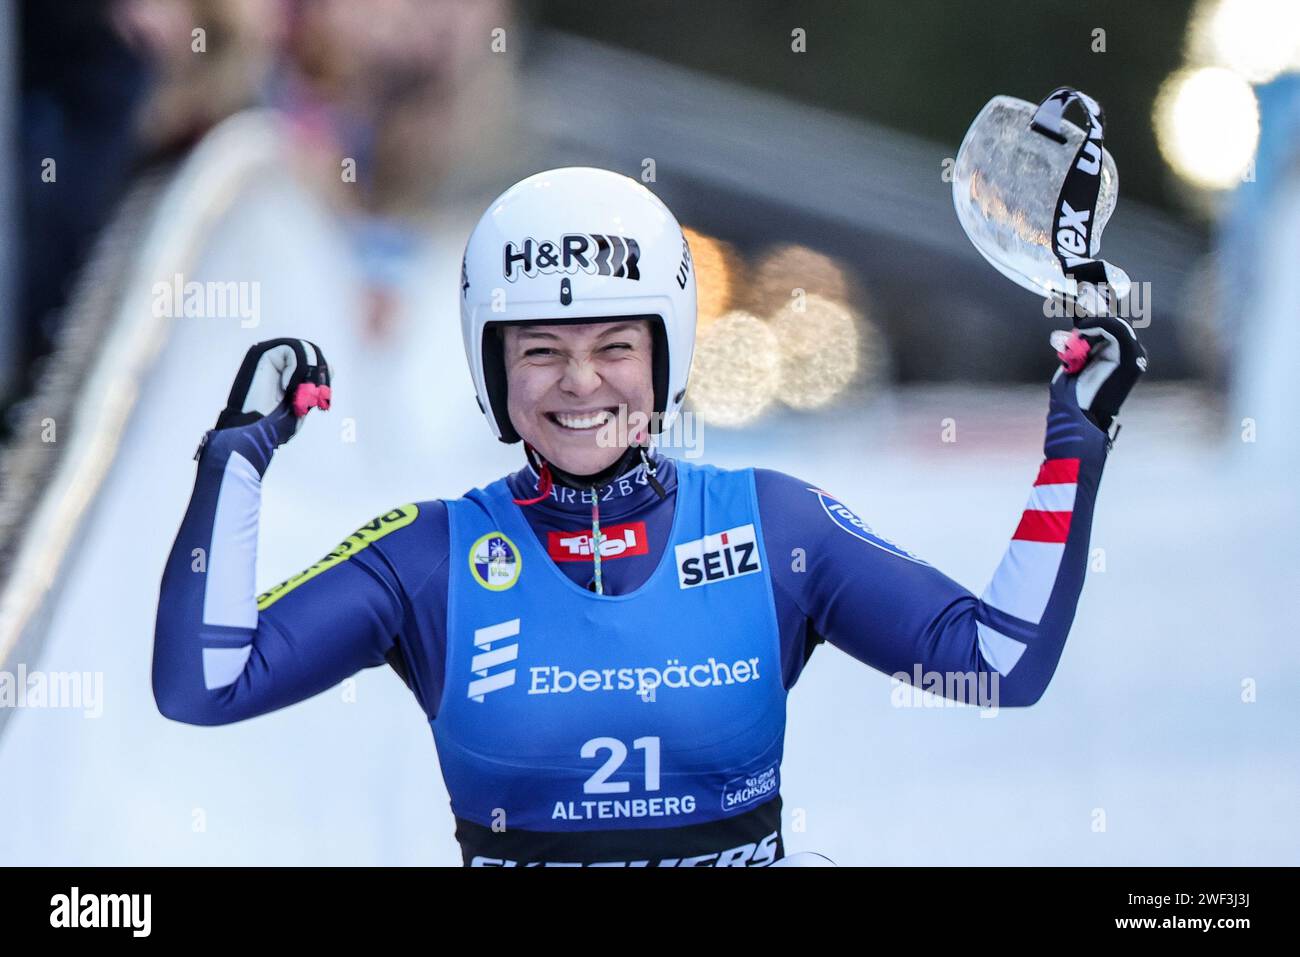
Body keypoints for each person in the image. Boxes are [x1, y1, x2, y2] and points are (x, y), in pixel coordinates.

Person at [153, 166, 1146, 867]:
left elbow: (998, 664)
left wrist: (1073, 447)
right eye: (540, 349)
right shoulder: (427, 556)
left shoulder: (773, 526)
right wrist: (236, 457)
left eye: (615, 345)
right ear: (492, 369)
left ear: (664, 355)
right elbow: (205, 682)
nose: (580, 381)